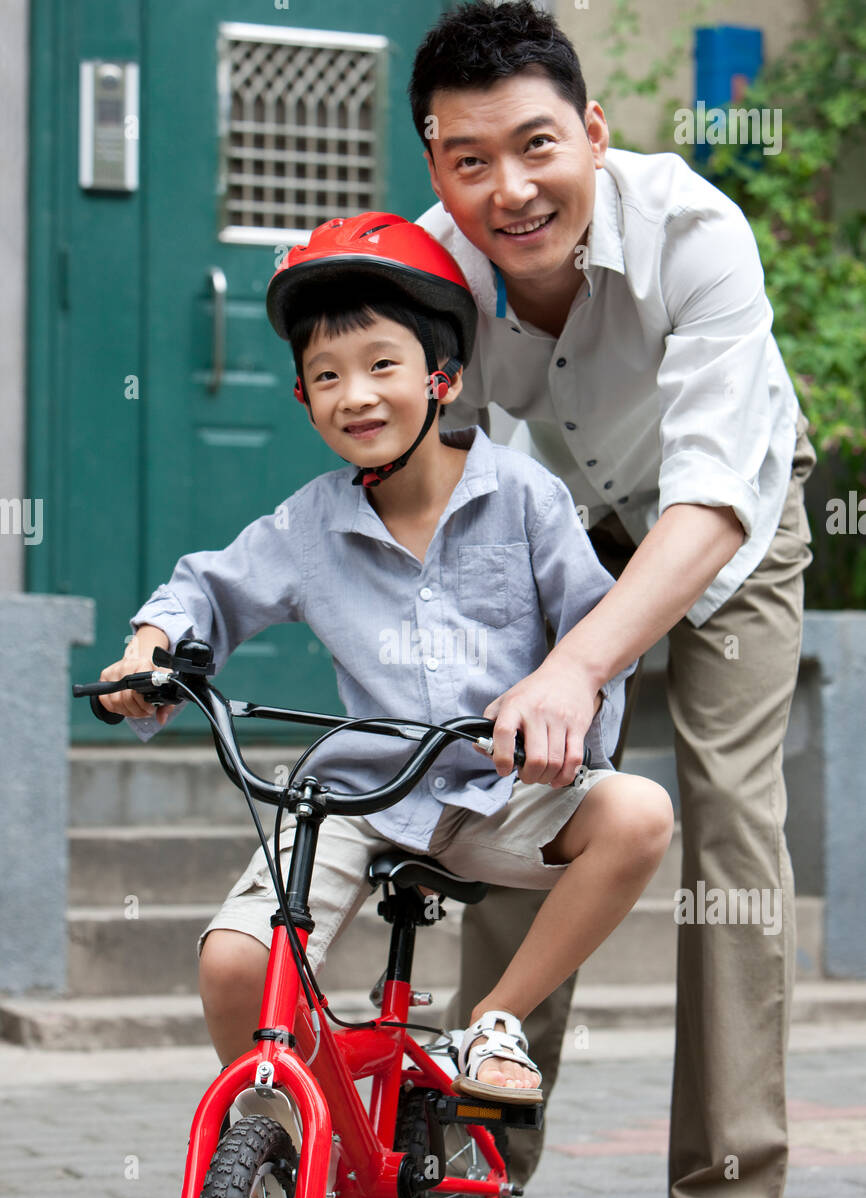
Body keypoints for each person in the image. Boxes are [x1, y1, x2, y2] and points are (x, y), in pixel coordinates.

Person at [409, 0, 816, 1198]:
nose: (509, 189)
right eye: (469, 160)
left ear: (591, 130)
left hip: (727, 521)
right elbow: (431, 468)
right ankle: (480, 1156)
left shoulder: (696, 235)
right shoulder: (432, 270)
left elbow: (705, 505)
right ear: (435, 166)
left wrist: (584, 660)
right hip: (559, 518)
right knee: (523, 805)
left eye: (536, 146)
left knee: (730, 829)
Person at [97, 211, 673, 1112]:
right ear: (302, 400)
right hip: (360, 795)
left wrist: (570, 719)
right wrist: (151, 648)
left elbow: (595, 627)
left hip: (499, 790)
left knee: (639, 813)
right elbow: (208, 588)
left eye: (380, 365)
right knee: (235, 961)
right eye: (325, 376)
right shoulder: (308, 524)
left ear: (441, 376)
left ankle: (496, 1020)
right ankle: (288, 1140)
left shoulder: (522, 494)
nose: (354, 394)